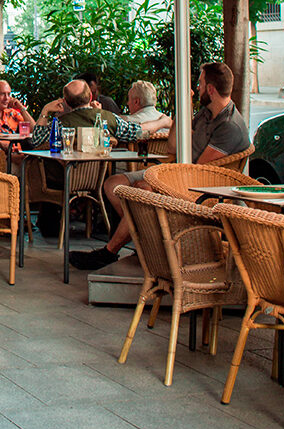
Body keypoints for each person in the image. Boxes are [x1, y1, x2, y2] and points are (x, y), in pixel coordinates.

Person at [70, 61, 251, 271]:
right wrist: (180, 111)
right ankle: (149, 241)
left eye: (200, 84)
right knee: (113, 184)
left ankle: (110, 251)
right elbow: (173, 148)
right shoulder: (205, 114)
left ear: (211, 89)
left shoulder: (229, 125)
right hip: (175, 169)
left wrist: (161, 178)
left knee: (141, 194)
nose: (197, 87)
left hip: (195, 186)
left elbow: (199, 170)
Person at [31, 79, 170, 147]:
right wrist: (162, 122)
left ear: (66, 102)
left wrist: (45, 111)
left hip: (64, 178)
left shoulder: (61, 124)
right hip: (100, 179)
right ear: (91, 97)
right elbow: (138, 131)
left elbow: (36, 141)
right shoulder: (108, 119)